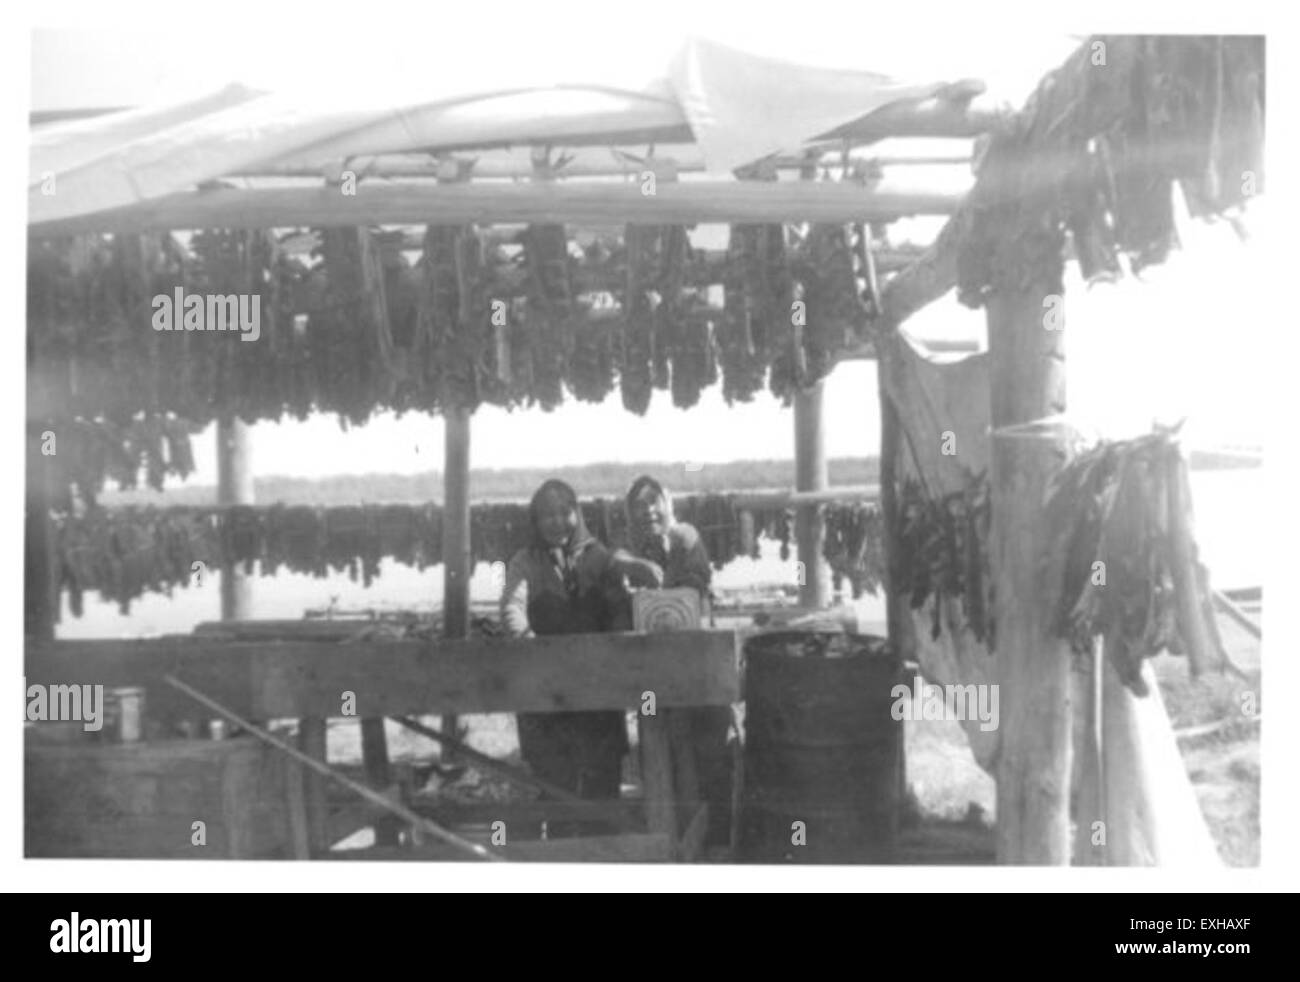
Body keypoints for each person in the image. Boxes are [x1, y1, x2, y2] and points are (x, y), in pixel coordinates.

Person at [499, 479, 629, 837]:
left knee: (603, 789)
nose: (556, 522)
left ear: (578, 514)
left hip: (598, 693)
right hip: (546, 696)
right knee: (556, 789)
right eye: (546, 516)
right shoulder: (524, 561)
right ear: (535, 522)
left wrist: (613, 646)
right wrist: (528, 641)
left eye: (564, 513)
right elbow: (512, 607)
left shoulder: (600, 558)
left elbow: (620, 609)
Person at [613, 474, 735, 847]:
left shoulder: (685, 536)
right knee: (657, 746)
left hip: (696, 667)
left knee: (706, 749)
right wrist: (634, 566)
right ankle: (668, 836)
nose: (648, 510)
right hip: (652, 674)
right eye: (639, 504)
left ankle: (715, 838)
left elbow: (695, 584)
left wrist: (658, 582)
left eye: (654, 501)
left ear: (668, 504)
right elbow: (612, 558)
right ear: (631, 513)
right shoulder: (628, 544)